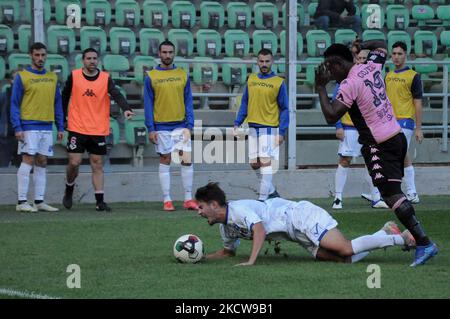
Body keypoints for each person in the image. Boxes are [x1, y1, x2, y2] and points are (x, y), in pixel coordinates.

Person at [314, 41, 438, 266]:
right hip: (396, 136)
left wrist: (320, 87)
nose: (329, 73)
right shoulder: (371, 66)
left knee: (391, 195)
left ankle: (424, 242)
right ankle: (416, 238)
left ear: (338, 63)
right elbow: (381, 44)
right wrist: (363, 44)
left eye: (330, 68)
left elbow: (332, 115)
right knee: (392, 193)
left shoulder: (349, 84)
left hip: (379, 144)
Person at [195, 182, 415, 266]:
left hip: (300, 216)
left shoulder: (239, 210)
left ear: (214, 204)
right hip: (296, 234)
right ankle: (385, 232)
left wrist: (251, 261)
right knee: (344, 259)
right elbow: (227, 252)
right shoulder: (226, 227)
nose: (199, 212)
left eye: (201, 207)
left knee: (346, 247)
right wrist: (202, 257)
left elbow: (259, 230)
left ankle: (402, 238)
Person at [61, 48, 134, 212]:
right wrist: (62, 117)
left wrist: (126, 108)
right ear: (83, 60)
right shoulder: (74, 76)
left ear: (98, 60)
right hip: (77, 126)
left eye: (94, 58)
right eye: (89, 58)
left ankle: (99, 201)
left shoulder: (105, 78)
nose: (92, 61)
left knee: (97, 164)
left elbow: (116, 94)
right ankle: (69, 187)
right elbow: (64, 96)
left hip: (97, 128)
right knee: (74, 162)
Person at [10, 42, 64, 212]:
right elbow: (14, 104)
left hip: (47, 126)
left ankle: (39, 201)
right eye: (37, 55)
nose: (40, 58)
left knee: (42, 161)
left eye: (43, 55)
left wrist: (60, 126)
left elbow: (57, 103)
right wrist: (17, 127)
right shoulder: (22, 76)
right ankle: (21, 202)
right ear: (31, 56)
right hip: (28, 126)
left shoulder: (52, 77)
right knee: (27, 160)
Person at [144, 40, 197, 212]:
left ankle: (188, 198)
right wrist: (151, 128)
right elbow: (148, 103)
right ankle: (167, 199)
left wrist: (190, 125)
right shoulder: (151, 76)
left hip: (181, 124)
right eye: (164, 52)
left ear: (174, 54)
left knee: (186, 159)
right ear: (159, 54)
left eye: (170, 52)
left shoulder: (182, 74)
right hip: (161, 126)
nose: (167, 55)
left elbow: (188, 100)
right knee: (165, 159)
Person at [332, 48, 388, 210]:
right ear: (355, 60)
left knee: (373, 161)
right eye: (360, 58)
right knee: (345, 161)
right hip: (349, 128)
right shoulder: (346, 80)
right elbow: (335, 103)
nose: (362, 61)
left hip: (368, 128)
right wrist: (338, 126)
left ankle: (376, 198)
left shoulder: (374, 78)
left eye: (365, 58)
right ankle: (337, 198)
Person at [234, 48, 289, 201]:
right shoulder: (251, 79)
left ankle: (262, 200)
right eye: (261, 61)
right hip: (252, 127)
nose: (264, 64)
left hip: (269, 128)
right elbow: (245, 102)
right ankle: (271, 191)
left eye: (267, 61)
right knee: (254, 163)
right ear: (257, 62)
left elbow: (285, 109)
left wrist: (282, 132)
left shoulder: (278, 82)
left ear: (272, 62)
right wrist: (237, 122)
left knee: (265, 163)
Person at [384, 41, 423, 204]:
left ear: (405, 55)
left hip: (405, 121)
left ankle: (407, 191)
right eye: (394, 53)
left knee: (398, 154)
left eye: (400, 53)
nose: (396, 57)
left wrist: (418, 128)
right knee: (402, 155)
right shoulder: (388, 76)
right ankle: (410, 192)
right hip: (389, 121)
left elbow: (418, 102)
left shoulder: (413, 76)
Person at [0, 71, 19, 167]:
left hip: (22, 137)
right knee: (2, 167)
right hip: (6, 137)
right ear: (11, 81)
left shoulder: (28, 97)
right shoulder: (3, 96)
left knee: (24, 168)